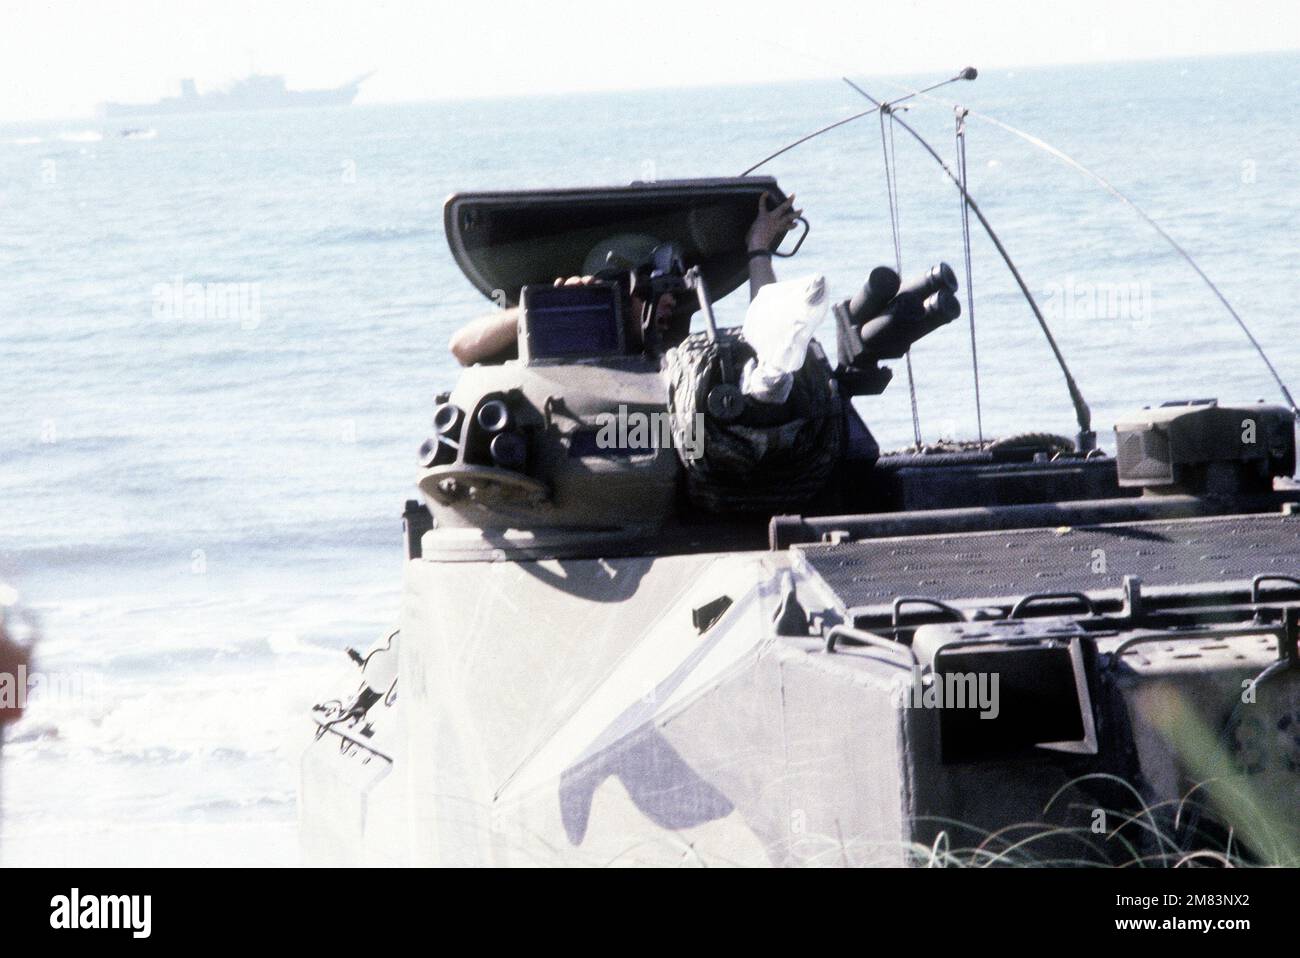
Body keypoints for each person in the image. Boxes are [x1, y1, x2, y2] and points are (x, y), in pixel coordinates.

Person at [448, 192, 802, 366]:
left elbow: (767, 347)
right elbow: (462, 347)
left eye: (672, 289)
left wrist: (757, 249)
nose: (670, 301)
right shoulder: (550, 350)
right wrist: (544, 307)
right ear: (617, 291)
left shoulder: (679, 358)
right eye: (655, 288)